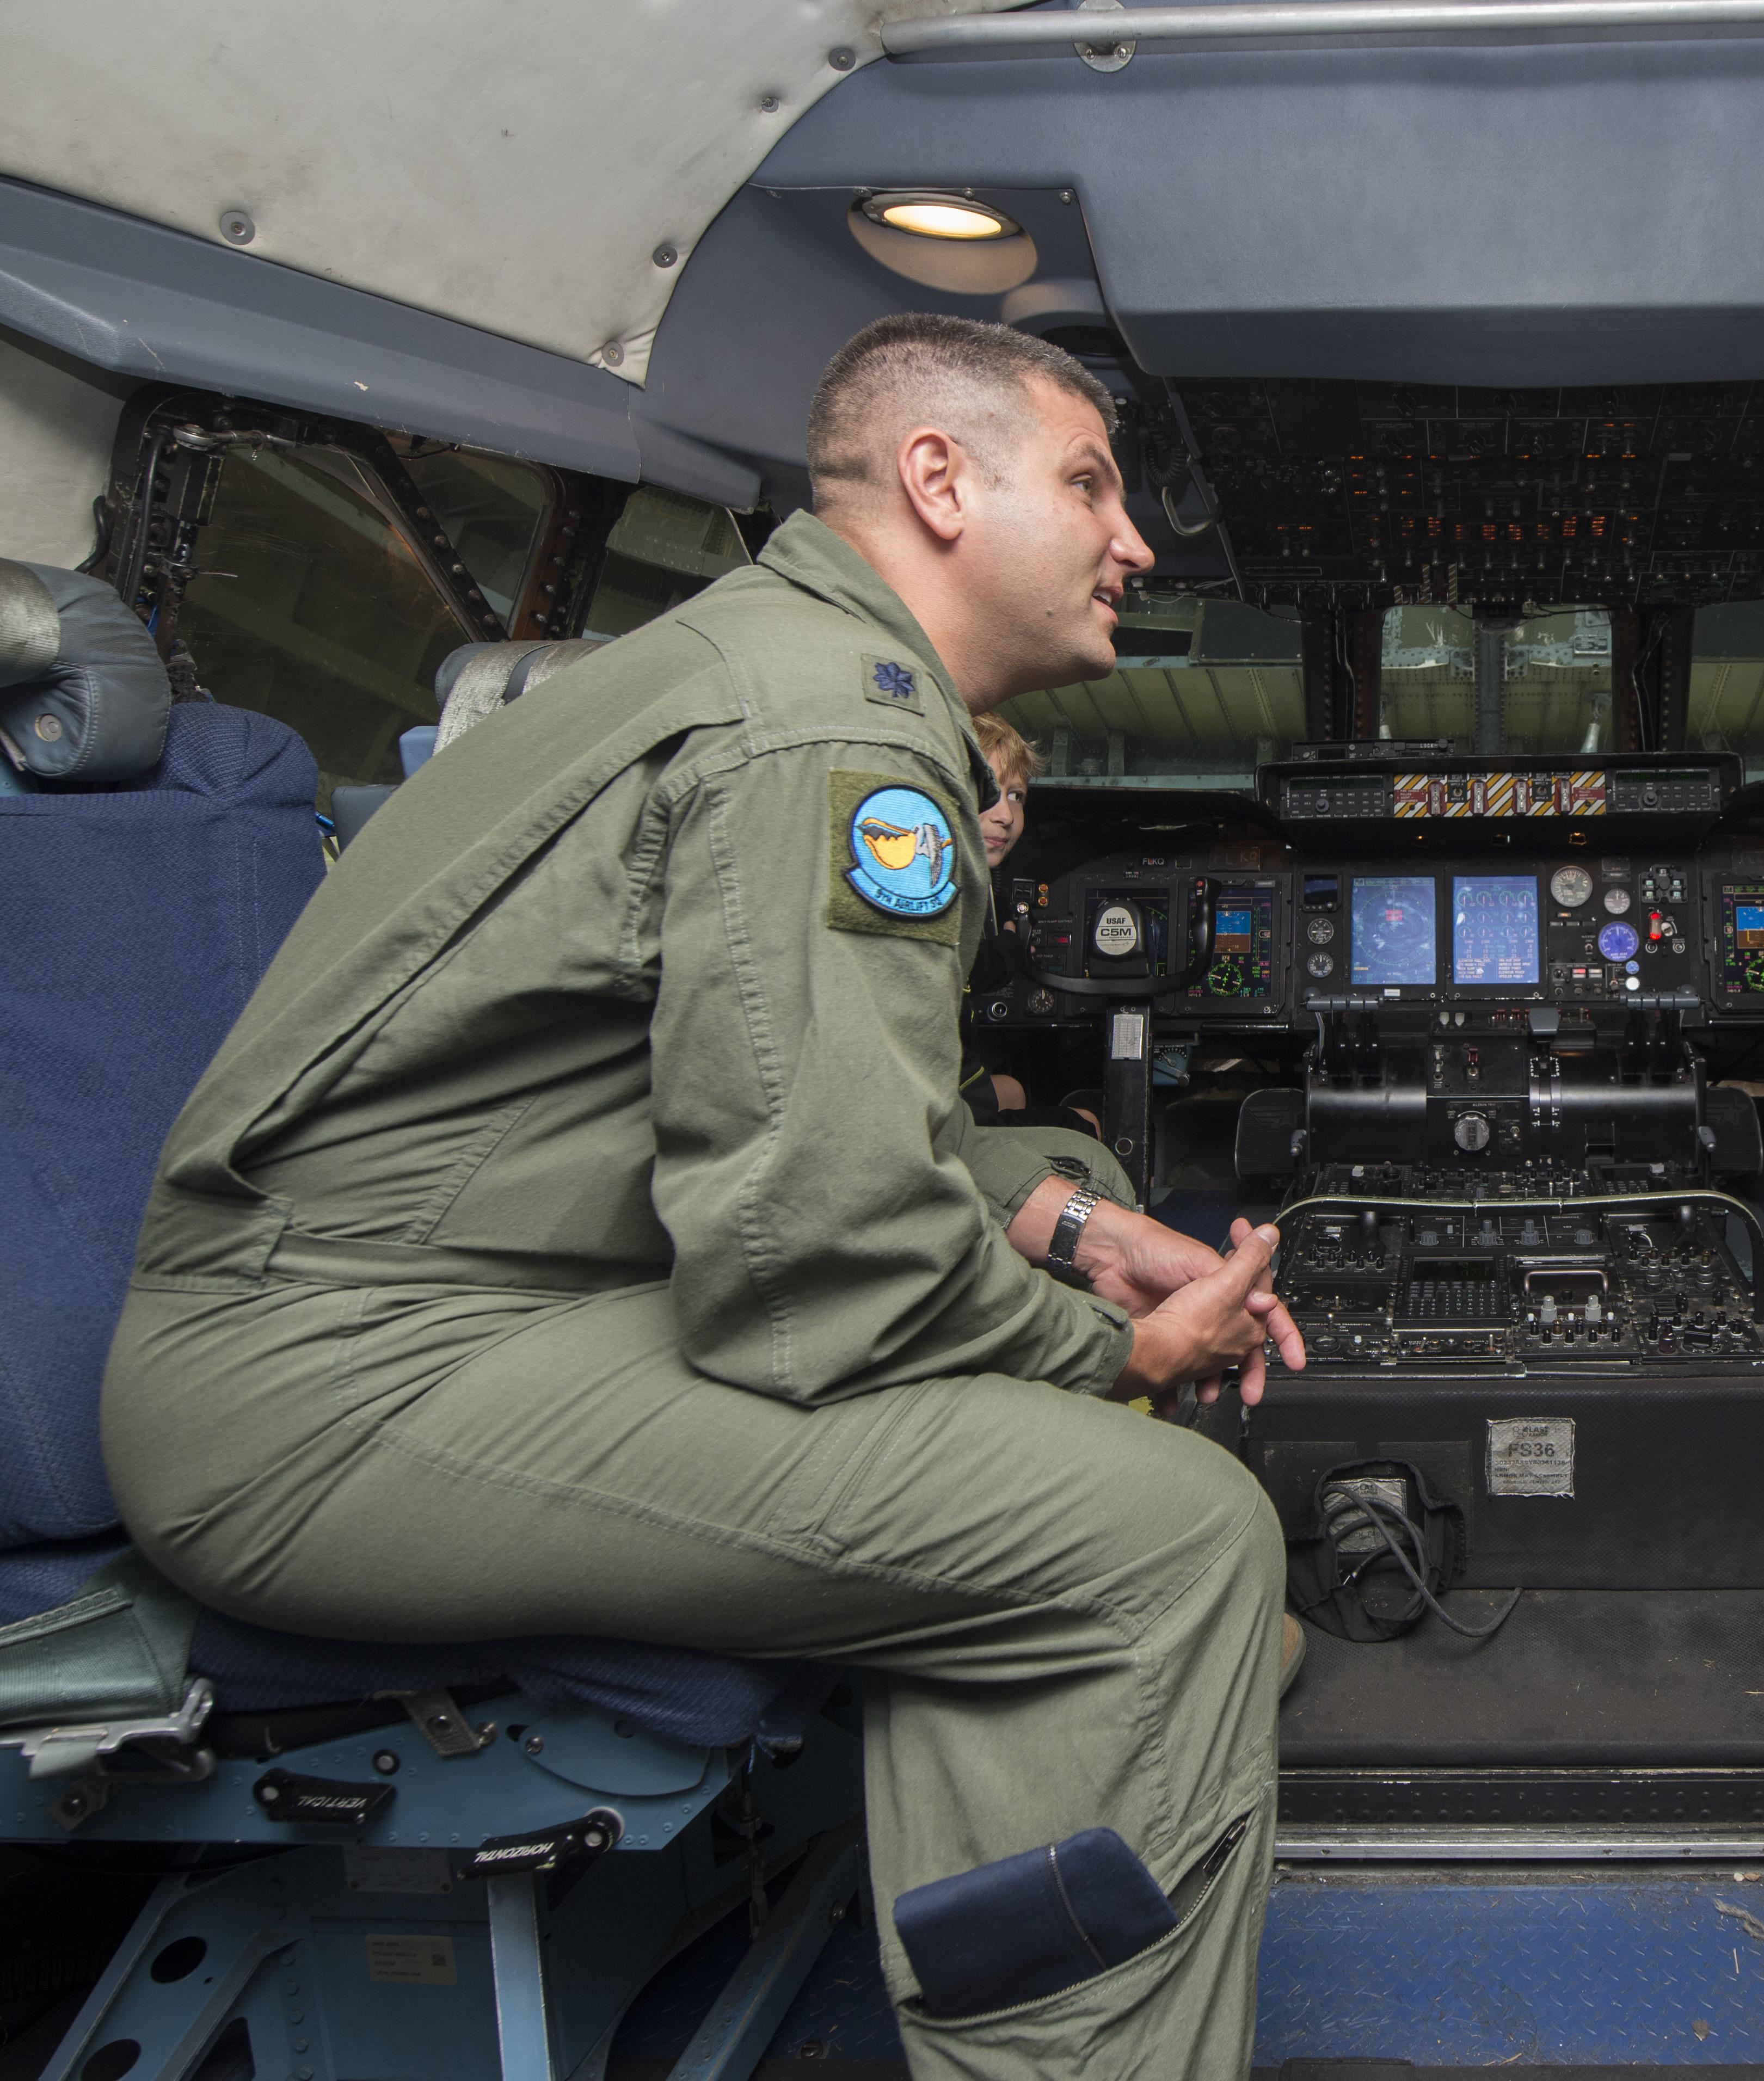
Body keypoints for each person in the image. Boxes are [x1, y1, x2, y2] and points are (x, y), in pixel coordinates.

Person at [103, 313, 1304, 2079]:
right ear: (939, 480)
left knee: (1085, 1197)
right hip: (331, 1383)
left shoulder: (765, 669)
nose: (1134, 541)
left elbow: (751, 1118)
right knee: (1168, 1538)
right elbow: (820, 1266)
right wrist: (1114, 1359)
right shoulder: (823, 733)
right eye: (1089, 484)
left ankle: (1078, 1769)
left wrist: (1065, 1221)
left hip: (451, 1302)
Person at [960, 710, 1102, 1141]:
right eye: (987, 789)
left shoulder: (976, 885)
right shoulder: (938, 891)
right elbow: (972, 967)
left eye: (1016, 796)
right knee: (1086, 1125)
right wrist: (1007, 952)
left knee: (1012, 1089)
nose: (1005, 814)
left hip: (949, 1082)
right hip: (928, 1110)